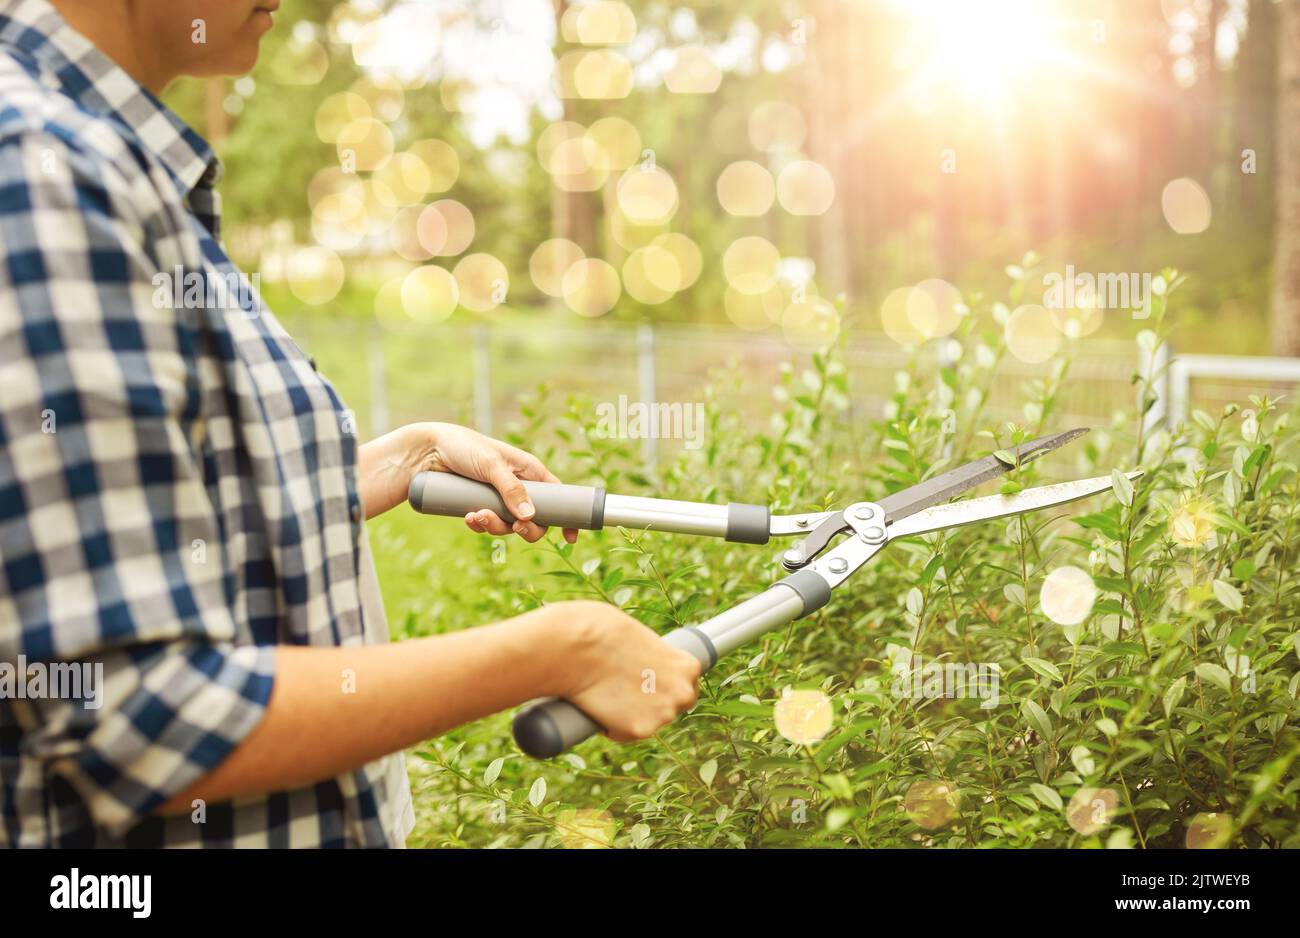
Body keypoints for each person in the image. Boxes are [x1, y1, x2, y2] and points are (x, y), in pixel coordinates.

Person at [0, 0, 702, 847]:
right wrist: (562, 647)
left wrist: (407, 457)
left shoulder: (103, 157)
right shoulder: (44, 176)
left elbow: (163, 514)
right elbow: (142, 718)